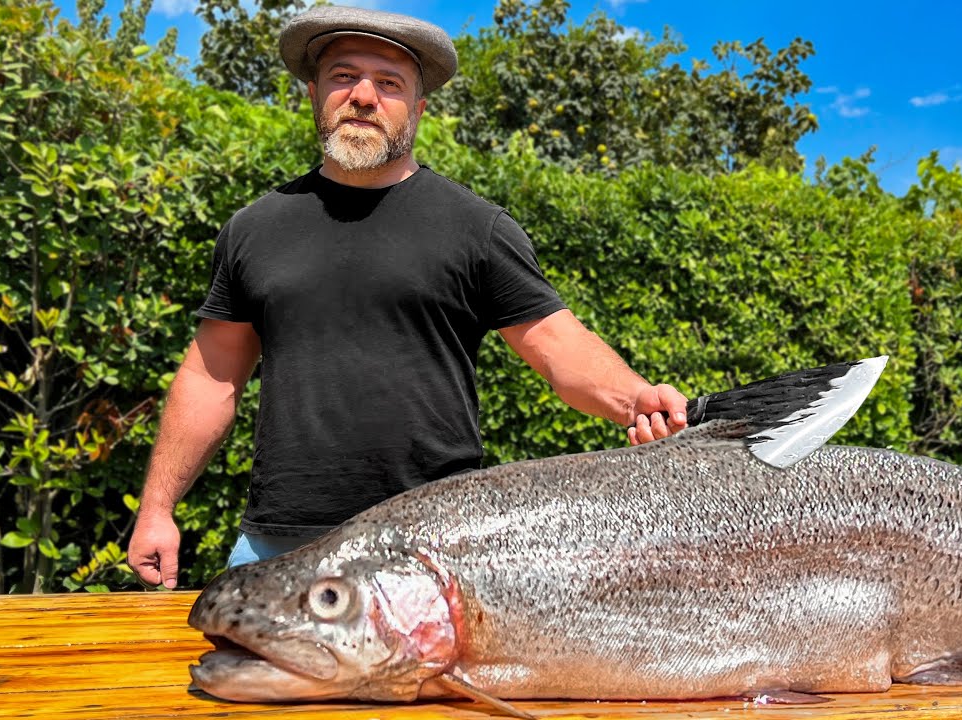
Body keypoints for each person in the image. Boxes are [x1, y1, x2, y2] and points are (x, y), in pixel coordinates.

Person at [127, 5, 689, 589]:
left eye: (389, 83)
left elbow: (556, 342)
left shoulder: (476, 227)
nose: (364, 96)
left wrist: (637, 401)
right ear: (313, 95)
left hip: (436, 550)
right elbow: (210, 378)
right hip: (279, 546)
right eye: (343, 76)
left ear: (417, 109)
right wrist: (156, 510)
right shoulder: (254, 229)